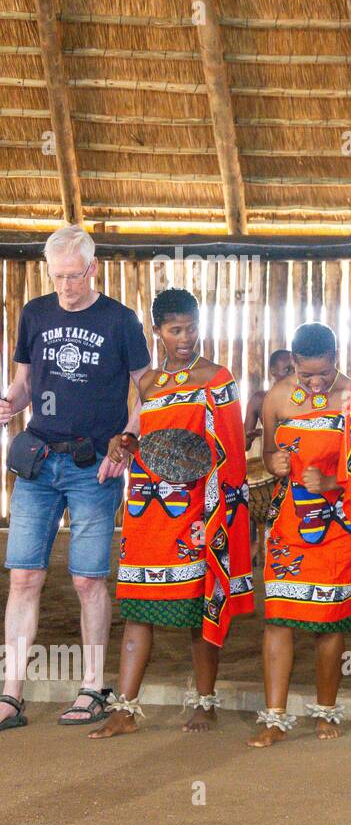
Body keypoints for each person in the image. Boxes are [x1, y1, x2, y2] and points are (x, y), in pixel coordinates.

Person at [1, 225, 152, 732]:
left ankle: (92, 687)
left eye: (74, 276)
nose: (65, 286)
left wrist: (126, 442)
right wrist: (8, 405)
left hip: (95, 466)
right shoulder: (35, 314)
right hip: (39, 463)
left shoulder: (120, 320)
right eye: (57, 276)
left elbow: (146, 392)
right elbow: (23, 386)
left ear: (92, 269)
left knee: (88, 579)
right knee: (24, 576)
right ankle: (10, 695)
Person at [90, 289, 254, 738]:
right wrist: (125, 443)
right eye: (175, 329)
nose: (185, 338)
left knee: (199, 607)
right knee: (137, 610)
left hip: (195, 512)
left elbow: (231, 452)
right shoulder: (148, 385)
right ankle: (124, 710)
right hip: (146, 512)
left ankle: (204, 703)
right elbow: (144, 437)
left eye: (192, 327)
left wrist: (215, 514)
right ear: (158, 331)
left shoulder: (216, 378)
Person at [248, 322, 351, 747]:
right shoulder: (277, 397)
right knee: (278, 617)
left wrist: (332, 485)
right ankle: (274, 718)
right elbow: (267, 454)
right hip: (288, 525)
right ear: (294, 362)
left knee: (329, 621)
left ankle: (325, 710)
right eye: (306, 373)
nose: (315, 382)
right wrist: (274, 460)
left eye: (323, 373)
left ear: (337, 359)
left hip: (338, 529)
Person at [244, 349, 293, 451]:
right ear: (273, 371)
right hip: (276, 461)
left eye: (294, 370)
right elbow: (244, 446)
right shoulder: (259, 399)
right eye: (287, 370)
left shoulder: (306, 397)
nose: (292, 375)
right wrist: (249, 437)